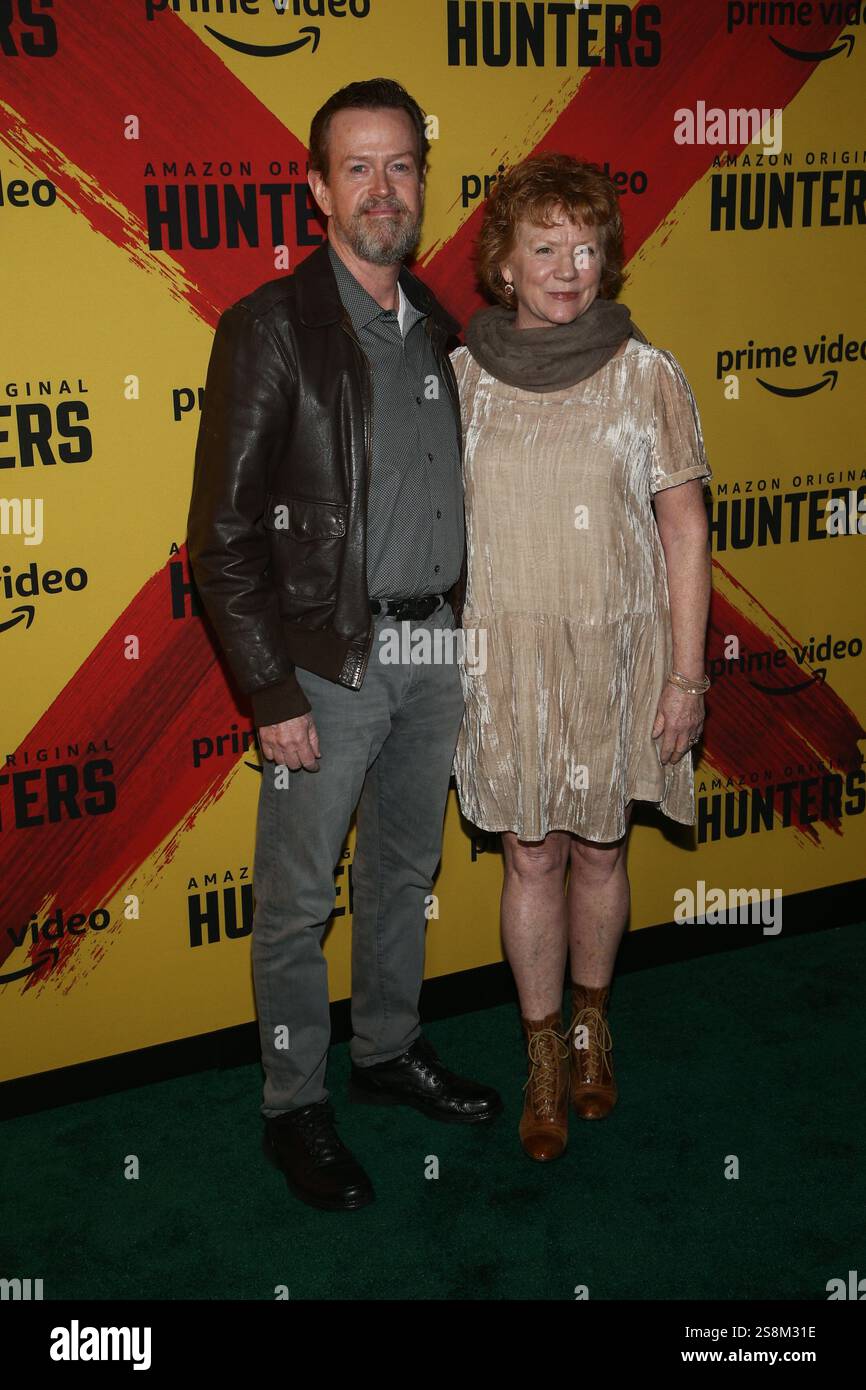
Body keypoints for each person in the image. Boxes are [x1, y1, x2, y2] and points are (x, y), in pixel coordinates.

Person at [187, 78, 502, 1213]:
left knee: (404, 877)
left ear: (422, 182)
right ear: (317, 188)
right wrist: (271, 688)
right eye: (357, 166)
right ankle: (291, 1104)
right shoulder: (269, 329)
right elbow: (219, 540)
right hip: (325, 664)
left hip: (433, 660)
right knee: (292, 905)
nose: (383, 187)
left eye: (401, 165)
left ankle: (383, 1052)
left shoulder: (442, 331)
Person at [450, 152, 712, 1162]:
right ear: (503, 264)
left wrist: (685, 676)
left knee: (601, 848)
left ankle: (591, 1028)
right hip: (504, 660)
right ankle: (540, 1057)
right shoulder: (460, 379)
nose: (568, 267)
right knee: (528, 851)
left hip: (618, 654)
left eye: (586, 247)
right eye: (543, 247)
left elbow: (683, 529)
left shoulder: (646, 375)